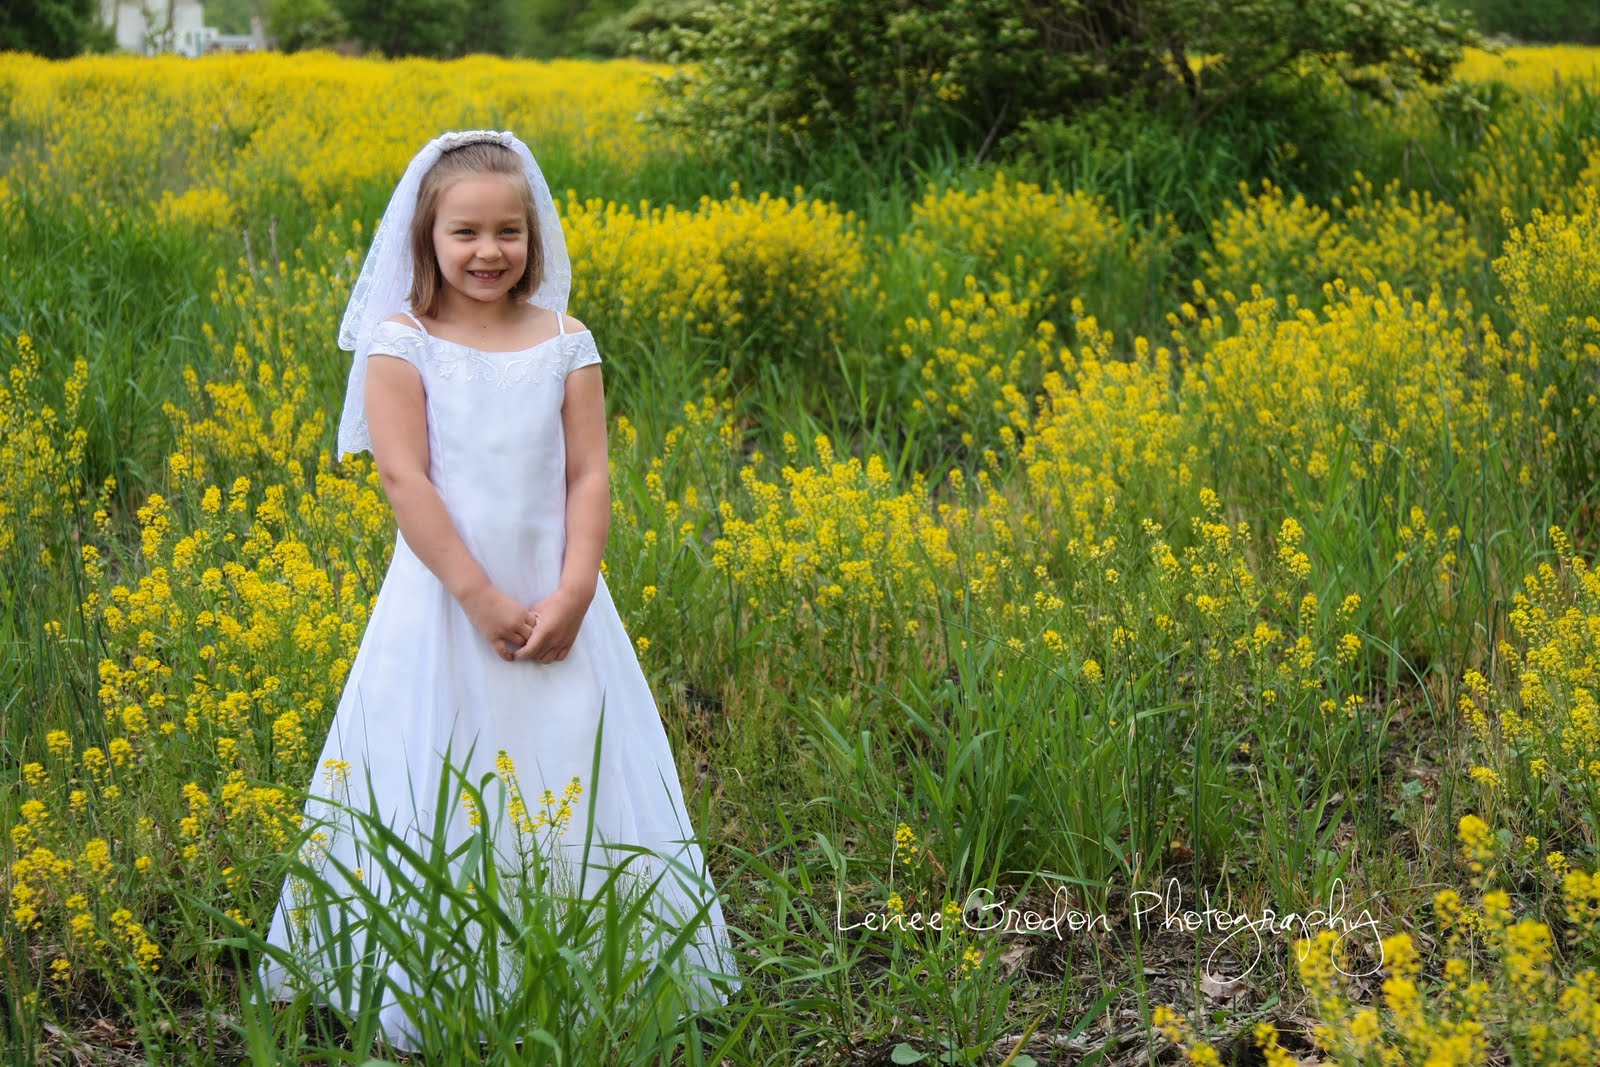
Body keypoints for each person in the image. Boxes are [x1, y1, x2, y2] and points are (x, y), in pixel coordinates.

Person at [256, 129, 741, 1051]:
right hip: (444, 603)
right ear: (426, 241)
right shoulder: (404, 342)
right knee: (433, 767)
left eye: (509, 231)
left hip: (560, 600)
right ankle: (428, 970)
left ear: (535, 238)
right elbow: (406, 480)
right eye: (466, 232)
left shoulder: (567, 340)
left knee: (572, 764)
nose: (489, 251)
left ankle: (591, 955)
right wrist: (478, 595)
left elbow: (588, 475)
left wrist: (577, 589)